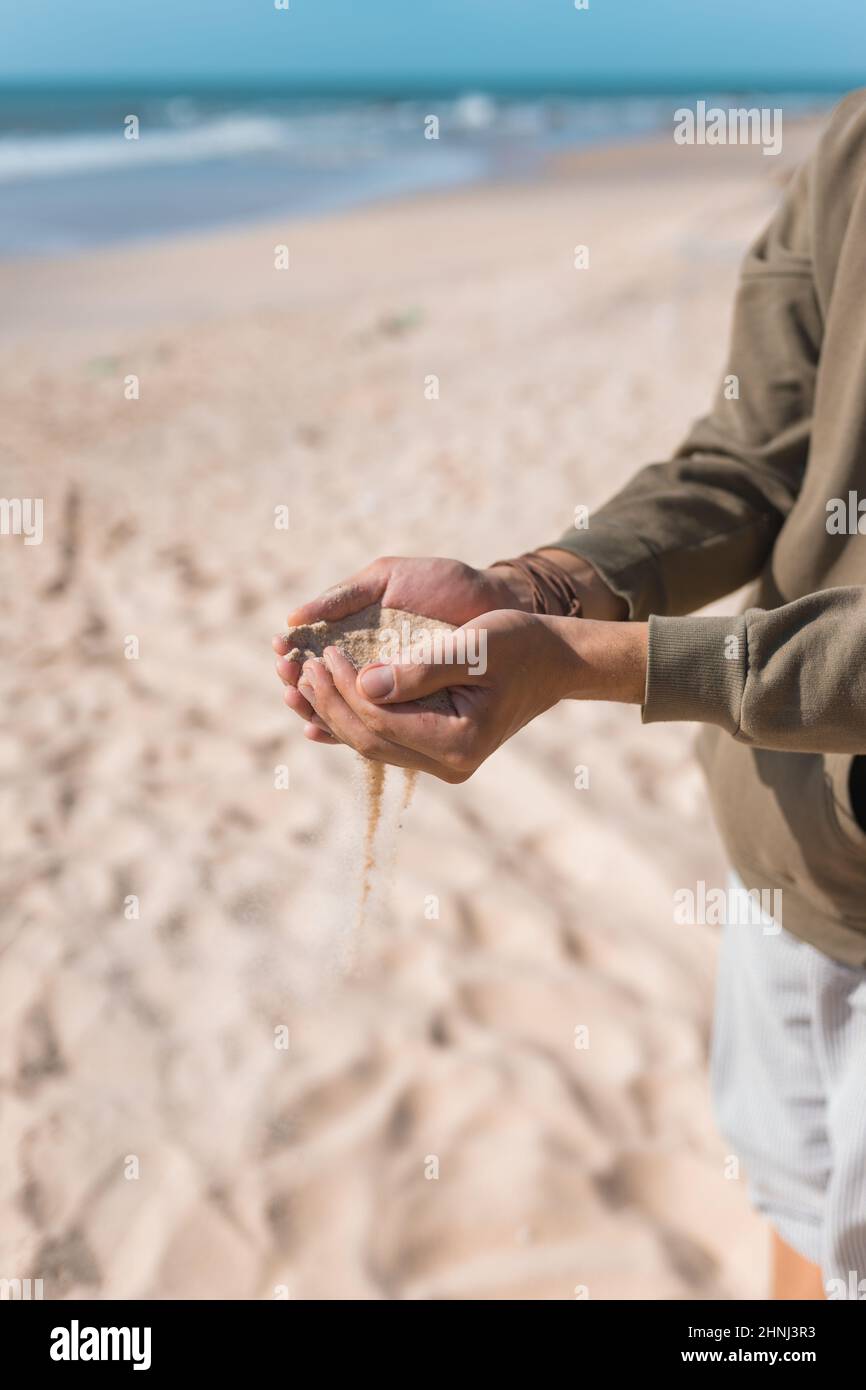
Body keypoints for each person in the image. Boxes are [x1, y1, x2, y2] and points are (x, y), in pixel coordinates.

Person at [273, 90, 866, 1301]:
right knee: (795, 1213)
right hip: (785, 856)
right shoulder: (855, 139)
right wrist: (531, 583)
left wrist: (589, 664)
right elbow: (746, 457)